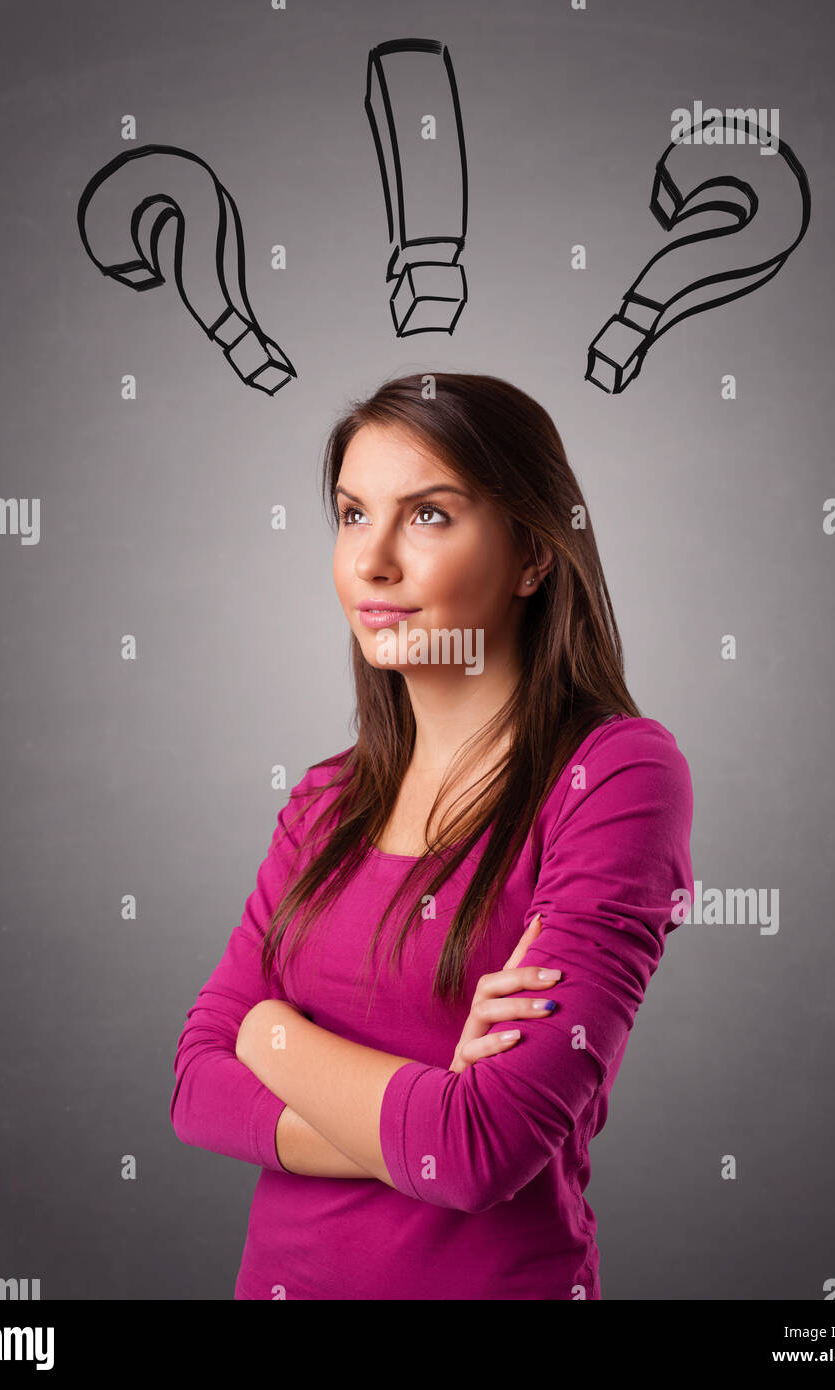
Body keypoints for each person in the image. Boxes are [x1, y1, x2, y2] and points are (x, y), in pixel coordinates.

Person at [170, 372, 694, 1300]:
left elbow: (479, 1152)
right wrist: (418, 1110)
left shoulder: (616, 777)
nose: (371, 562)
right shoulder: (325, 800)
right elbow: (197, 1085)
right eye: (351, 513)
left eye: (430, 516)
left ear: (534, 554)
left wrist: (273, 1035)